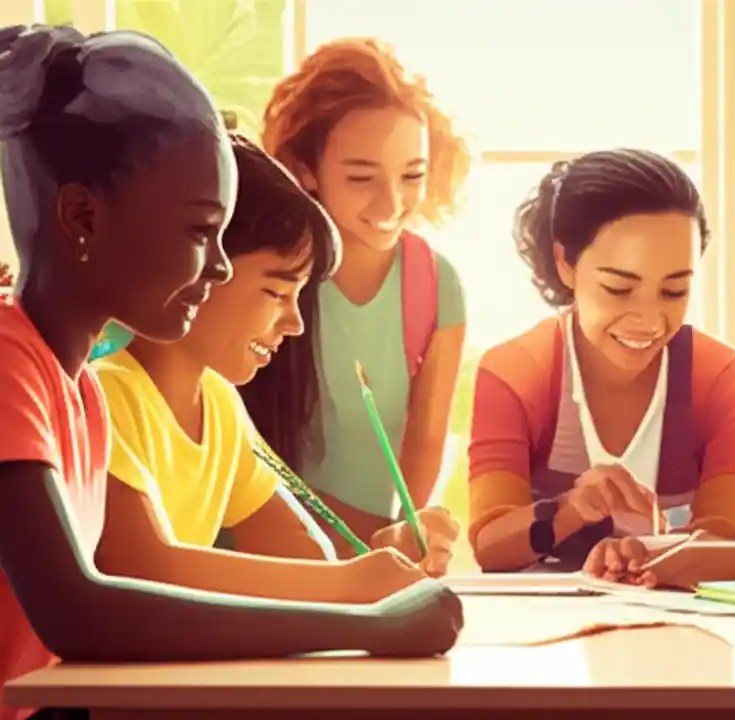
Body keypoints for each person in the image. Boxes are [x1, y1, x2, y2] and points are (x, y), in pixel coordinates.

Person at [0, 25, 460, 720]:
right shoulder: (12, 368)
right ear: (83, 217)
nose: (216, 269)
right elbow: (80, 611)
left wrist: (366, 579)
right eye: (198, 232)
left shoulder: (79, 391)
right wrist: (364, 626)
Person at [91, 133, 459, 609]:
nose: (296, 323)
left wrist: (381, 558)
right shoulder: (102, 392)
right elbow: (144, 566)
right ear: (200, 266)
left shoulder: (218, 403)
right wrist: (351, 583)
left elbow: (308, 562)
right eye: (277, 292)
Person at [467, 148, 735, 573]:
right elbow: (490, 548)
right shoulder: (516, 374)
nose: (648, 320)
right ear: (565, 264)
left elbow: (734, 542)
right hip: (542, 628)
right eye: (618, 288)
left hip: (679, 627)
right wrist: (572, 508)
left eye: (674, 291)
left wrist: (646, 554)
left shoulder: (720, 379)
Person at [250, 37, 469, 553]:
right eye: (361, 177)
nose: (391, 203)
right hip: (270, 545)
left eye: (412, 175)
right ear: (307, 170)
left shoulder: (437, 286)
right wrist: (374, 542)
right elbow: (248, 453)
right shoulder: (267, 274)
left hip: (366, 555)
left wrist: (404, 542)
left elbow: (425, 446)